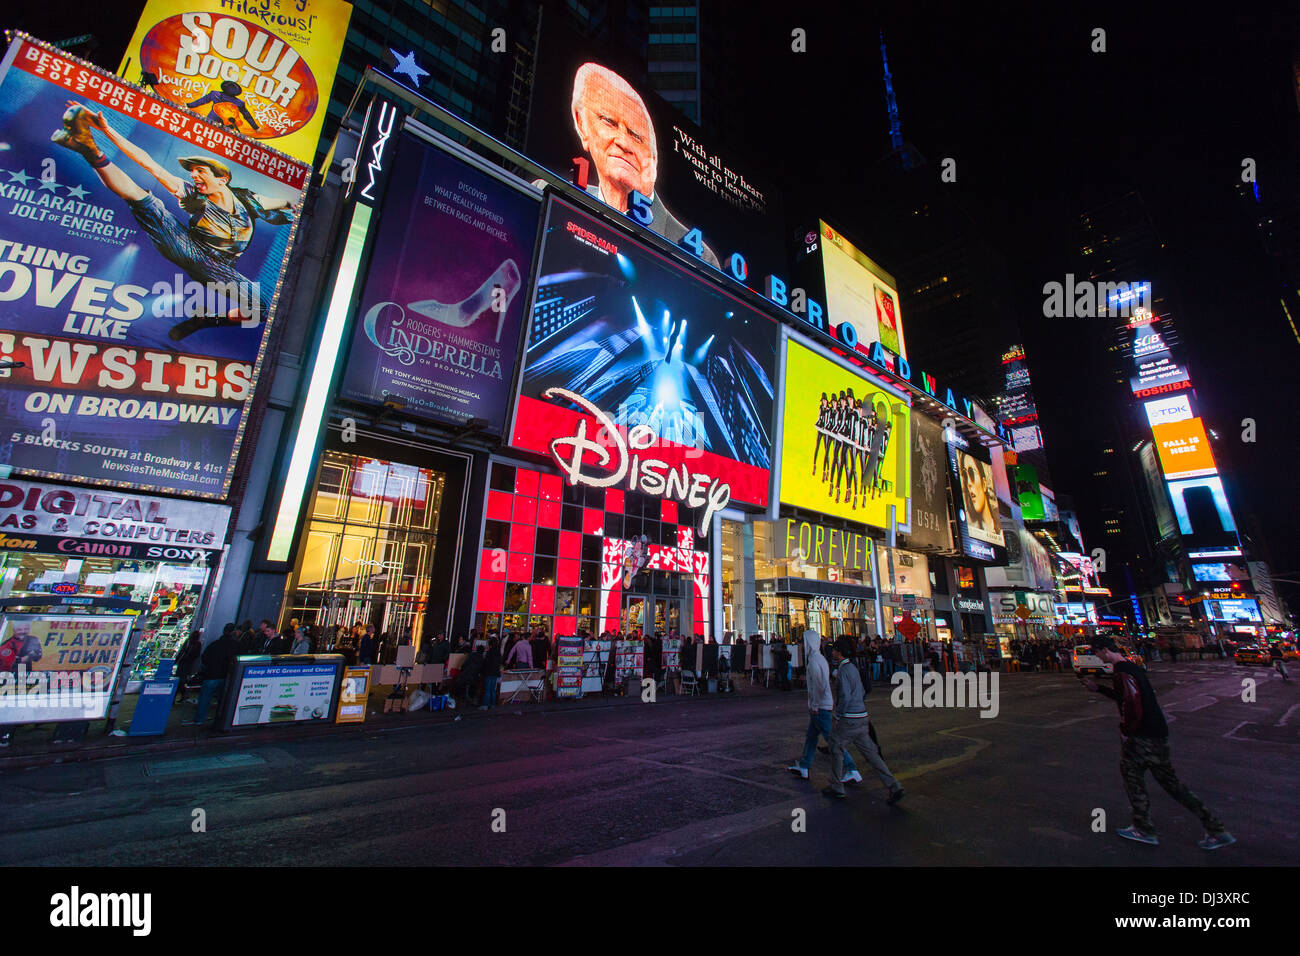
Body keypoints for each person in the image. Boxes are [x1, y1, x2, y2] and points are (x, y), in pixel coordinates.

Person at [51, 102, 295, 340]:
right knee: (145, 201)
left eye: (201, 171)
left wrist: (293, 205)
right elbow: (149, 163)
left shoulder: (247, 199)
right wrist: (106, 129)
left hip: (222, 268)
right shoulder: (194, 197)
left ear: (222, 179)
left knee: (263, 309)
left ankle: (206, 320)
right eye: (192, 171)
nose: (194, 175)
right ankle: (91, 150)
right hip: (190, 249)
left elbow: (284, 202)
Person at [1082, 635, 1235, 850]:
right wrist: (1098, 689)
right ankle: (1216, 828)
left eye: (1096, 652)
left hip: (1141, 737)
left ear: (1104, 650)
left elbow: (1132, 704)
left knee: (1133, 778)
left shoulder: (1123, 672)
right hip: (1155, 734)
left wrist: (1126, 731)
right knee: (1172, 785)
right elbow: (1125, 696)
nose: (1096, 657)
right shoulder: (1132, 668)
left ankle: (1143, 828)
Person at [568, 63, 719, 267]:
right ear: (582, 124)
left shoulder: (698, 257)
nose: (623, 142)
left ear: (653, 161)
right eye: (609, 121)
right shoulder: (558, 198)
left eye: (636, 136)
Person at [823, 638, 905, 803]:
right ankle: (894, 785)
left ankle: (836, 786)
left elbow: (845, 696)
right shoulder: (853, 668)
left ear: (839, 652)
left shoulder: (844, 670)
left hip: (850, 719)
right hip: (862, 718)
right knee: (872, 755)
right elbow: (860, 691)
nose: (832, 652)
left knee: (835, 746)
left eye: (834, 650)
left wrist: (838, 715)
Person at [788, 629, 859, 783]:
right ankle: (805, 766)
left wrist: (814, 705)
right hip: (822, 705)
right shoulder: (820, 658)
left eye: (803, 641)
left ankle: (852, 768)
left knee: (832, 740)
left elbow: (819, 685)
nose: (801, 644)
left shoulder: (814, 661)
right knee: (811, 737)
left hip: (820, 707)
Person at [187, 627, 239, 727]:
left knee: (205, 698)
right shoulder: (236, 645)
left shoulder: (214, 644)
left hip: (211, 675)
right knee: (224, 700)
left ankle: (199, 719)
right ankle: (221, 720)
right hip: (226, 676)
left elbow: (204, 658)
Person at [187, 80, 260, 132]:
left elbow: (201, 101)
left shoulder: (215, 94)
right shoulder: (239, 102)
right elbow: (247, 116)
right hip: (217, 122)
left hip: (217, 122)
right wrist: (256, 128)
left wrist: (189, 105)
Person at [174, 629, 204, 702]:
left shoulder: (188, 642)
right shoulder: (198, 644)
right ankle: (183, 695)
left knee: (179, 680)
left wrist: (176, 661)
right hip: (189, 664)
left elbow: (182, 652)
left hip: (182, 663)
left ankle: (177, 696)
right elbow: (197, 655)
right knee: (183, 680)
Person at [481, 637, 502, 710]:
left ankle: (485, 705)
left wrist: (482, 671)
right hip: (495, 672)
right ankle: (492, 704)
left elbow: (486, 663)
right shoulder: (498, 653)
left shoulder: (489, 653)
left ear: (490, 645)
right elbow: (499, 663)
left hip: (489, 672)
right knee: (493, 689)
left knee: (487, 689)